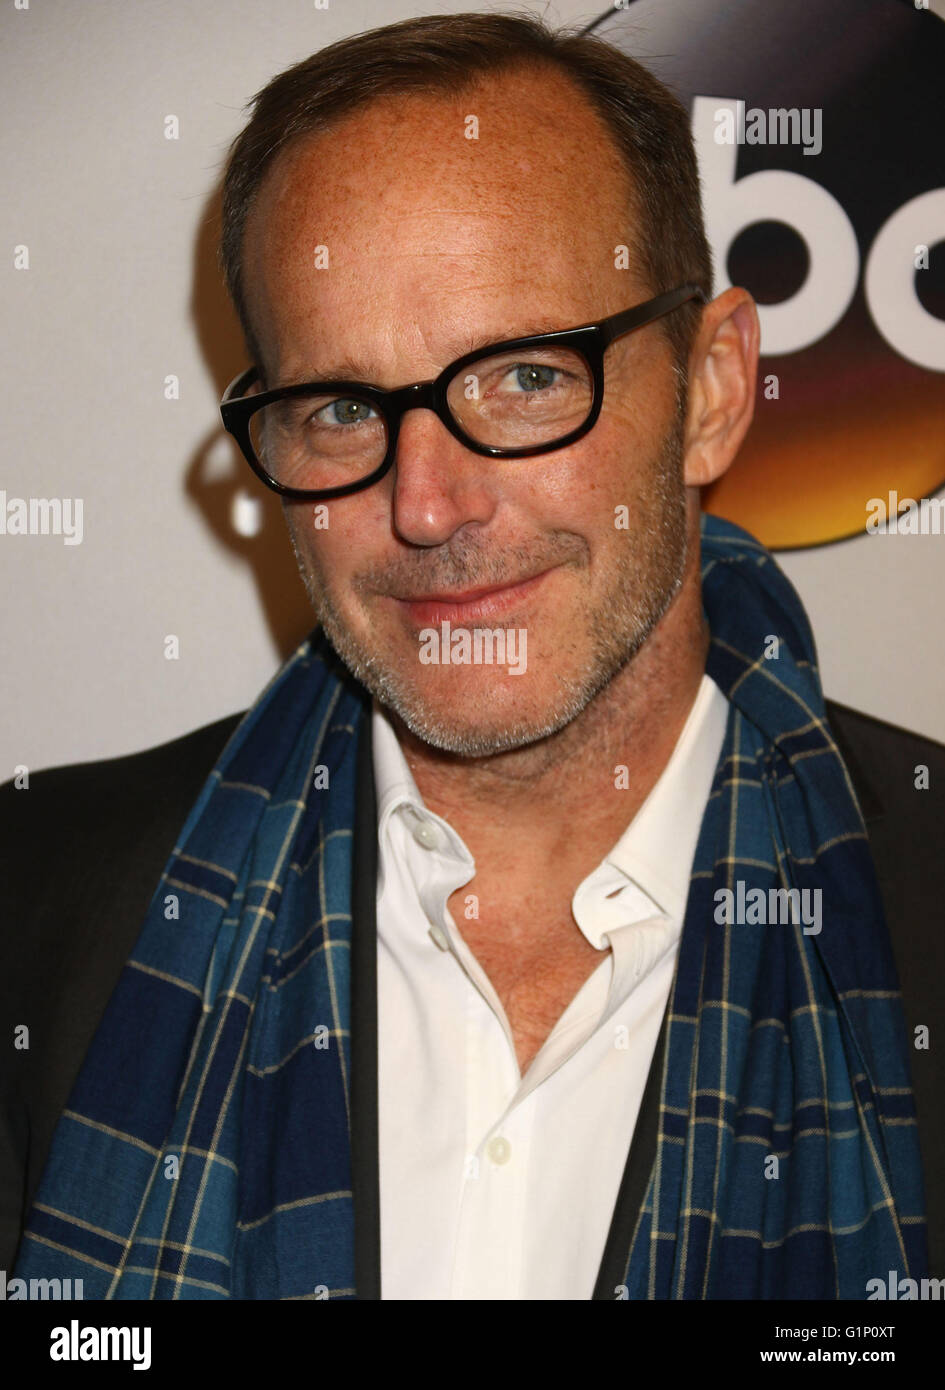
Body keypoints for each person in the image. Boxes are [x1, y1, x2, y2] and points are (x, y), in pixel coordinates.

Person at [2, 11, 942, 1301]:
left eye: (523, 379)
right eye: (341, 408)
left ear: (712, 389)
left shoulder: (920, 903)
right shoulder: (37, 909)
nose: (429, 508)